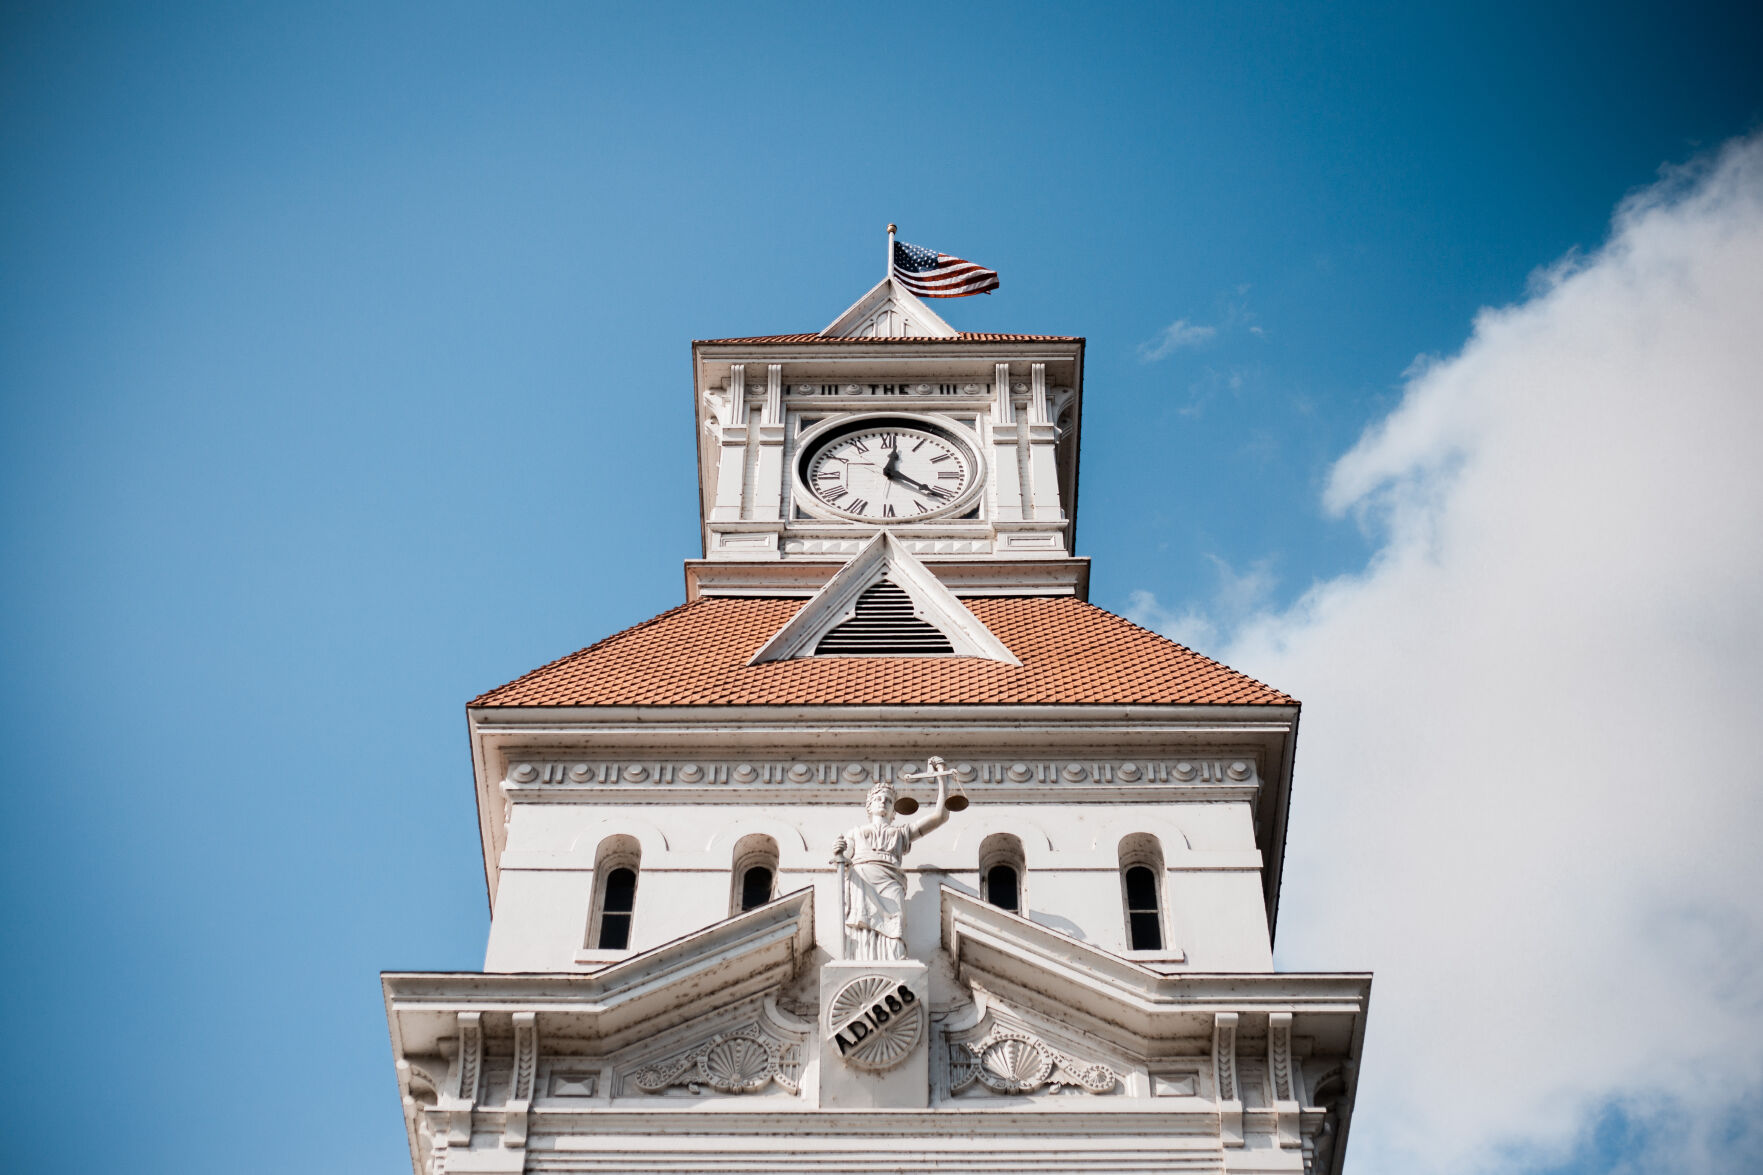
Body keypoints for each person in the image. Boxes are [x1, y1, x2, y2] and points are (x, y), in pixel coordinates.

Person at [831, 757, 954, 961]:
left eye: (888, 800)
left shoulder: (900, 834)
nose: (884, 803)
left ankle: (893, 960)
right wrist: (838, 852)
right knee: (863, 925)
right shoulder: (856, 832)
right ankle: (862, 961)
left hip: (891, 882)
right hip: (862, 879)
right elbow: (843, 859)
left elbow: (940, 816)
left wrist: (942, 776)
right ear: (869, 806)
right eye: (879, 799)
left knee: (895, 924)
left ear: (894, 810)